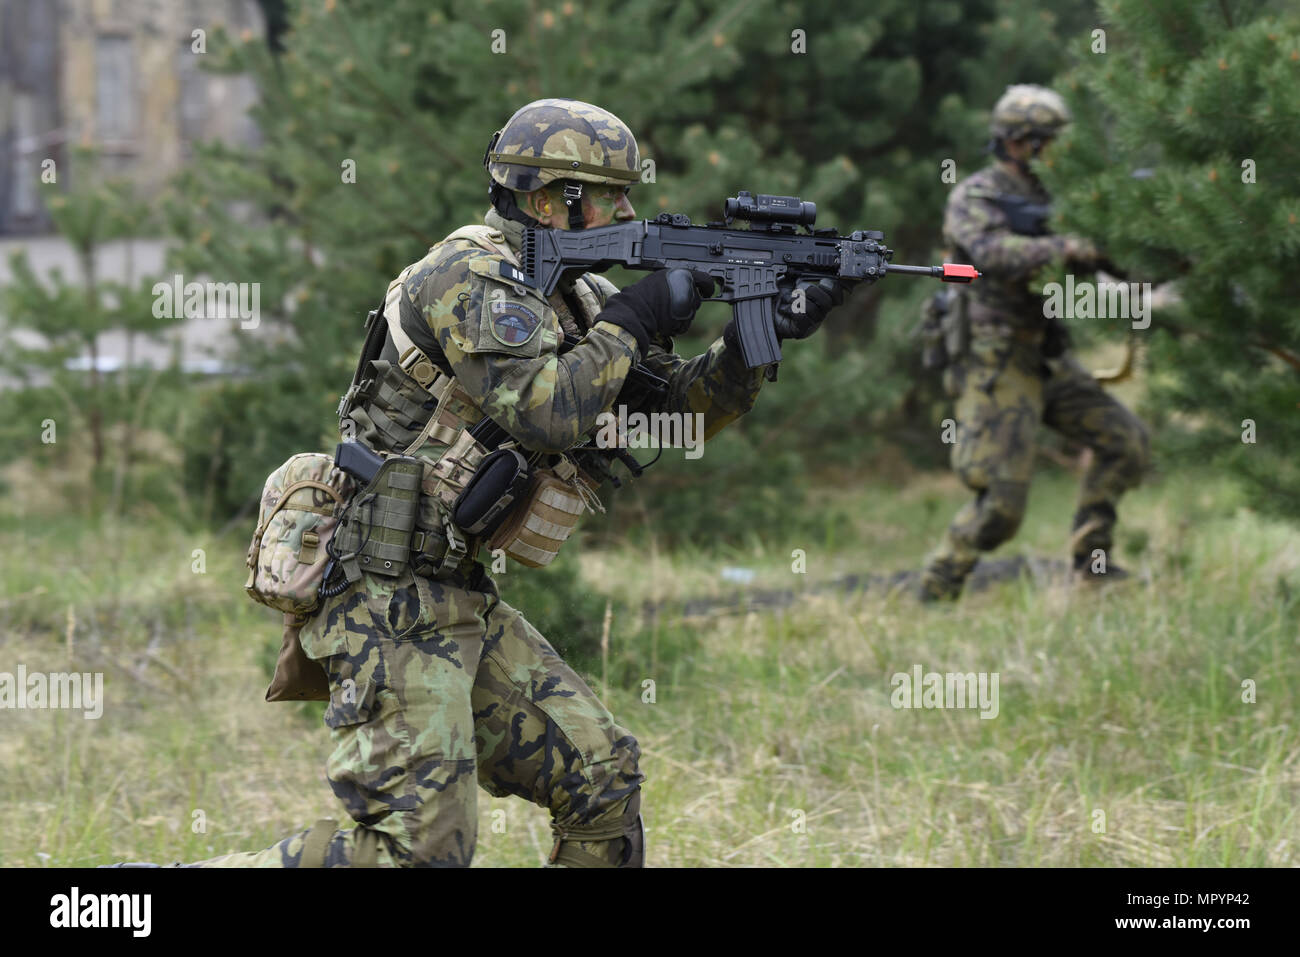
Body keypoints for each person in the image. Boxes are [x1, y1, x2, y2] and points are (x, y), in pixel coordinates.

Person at [181, 98, 843, 867]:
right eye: (611, 194)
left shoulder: (577, 299)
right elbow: (547, 413)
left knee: (603, 779)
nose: (629, 209)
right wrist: (638, 314)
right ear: (546, 200)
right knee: (418, 854)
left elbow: (673, 418)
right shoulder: (469, 273)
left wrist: (757, 343)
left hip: (455, 590)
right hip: (383, 594)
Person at [916, 84, 1149, 603]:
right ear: (1017, 142)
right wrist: (1067, 246)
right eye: (1045, 143)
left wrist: (1139, 238)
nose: (1054, 154)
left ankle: (1092, 563)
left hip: (1047, 351)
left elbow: (1127, 268)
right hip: (995, 354)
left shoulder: (1064, 198)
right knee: (1002, 504)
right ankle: (939, 584)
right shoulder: (976, 194)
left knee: (1124, 442)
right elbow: (990, 253)